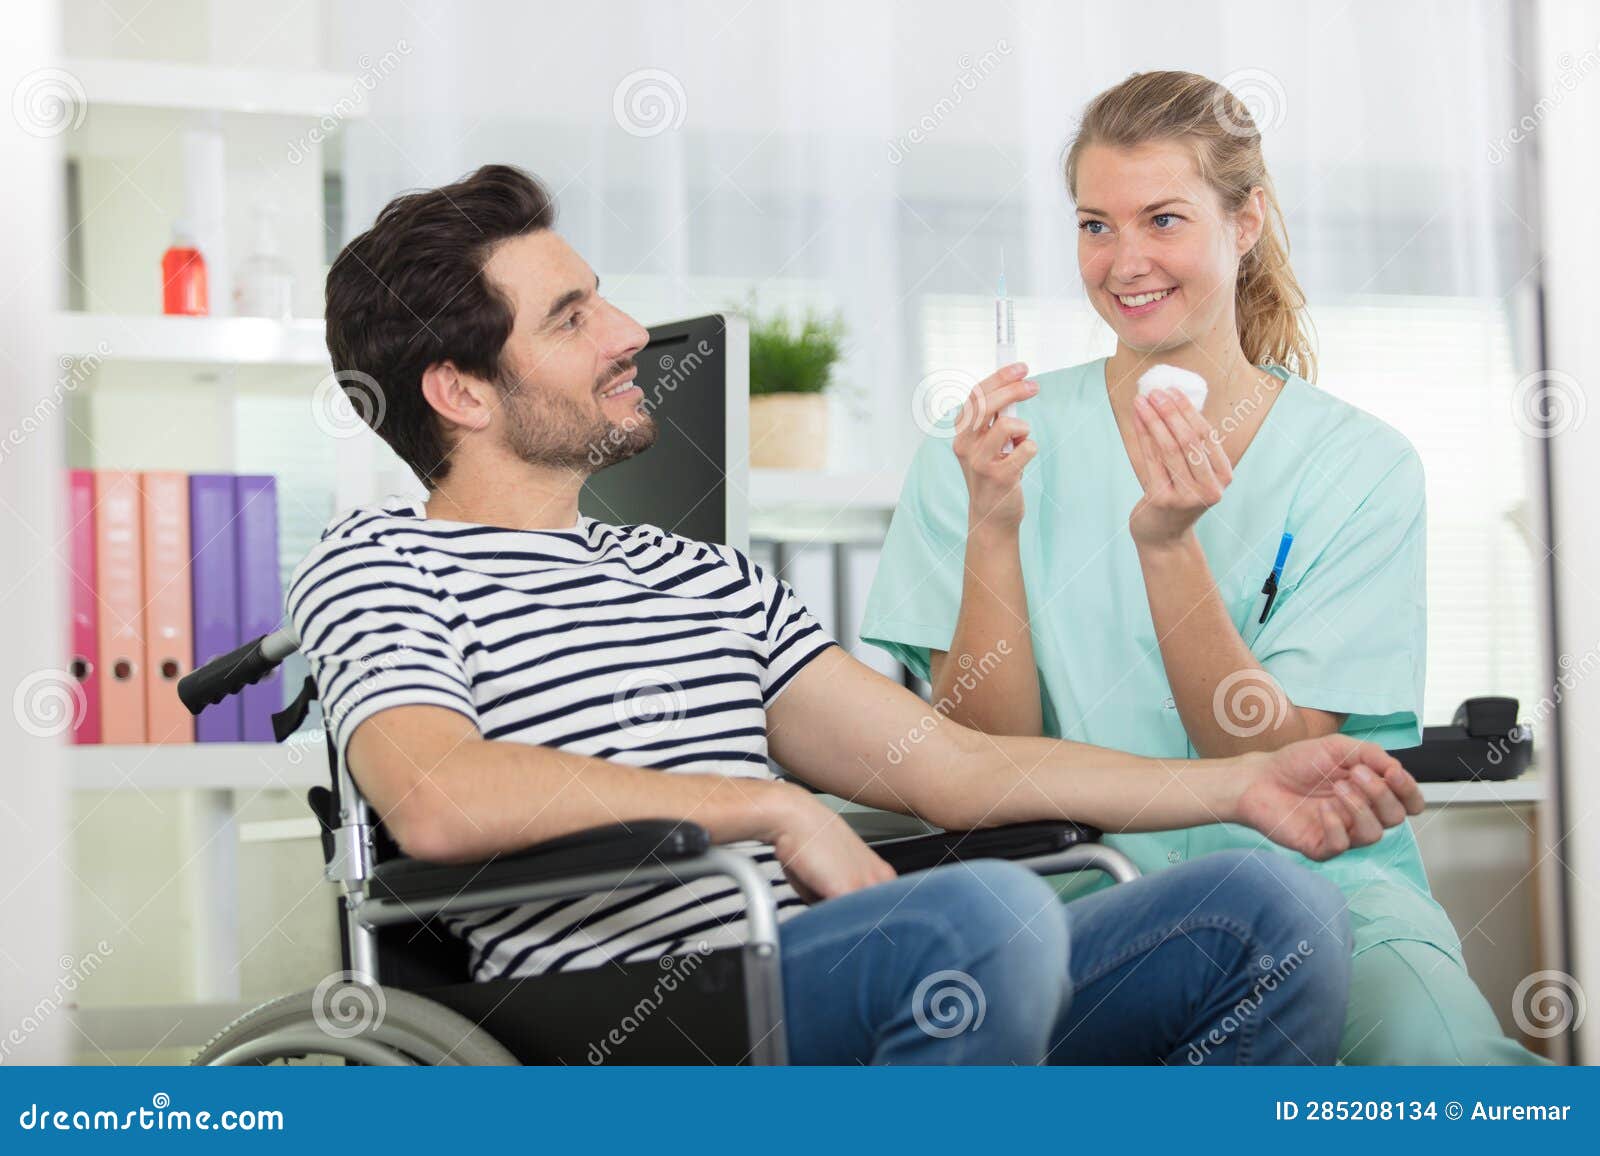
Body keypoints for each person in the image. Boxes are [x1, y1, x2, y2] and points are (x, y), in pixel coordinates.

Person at [291, 162, 1425, 1066]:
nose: (628, 330)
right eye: (572, 317)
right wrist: (767, 808)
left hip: (807, 969)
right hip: (615, 1013)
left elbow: (957, 769)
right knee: (981, 915)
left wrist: (1242, 785)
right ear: (460, 390)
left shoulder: (697, 574)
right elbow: (437, 798)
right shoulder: (382, 561)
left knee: (1267, 912)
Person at [860, 70, 1543, 1064]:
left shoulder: (1358, 465)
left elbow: (1278, 758)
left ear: (1245, 219)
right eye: (1095, 225)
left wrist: (1167, 546)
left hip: (1323, 884)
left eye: (1163, 219)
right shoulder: (983, 453)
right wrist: (994, 530)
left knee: (1437, 1070)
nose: (1124, 260)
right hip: (1086, 896)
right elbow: (988, 757)